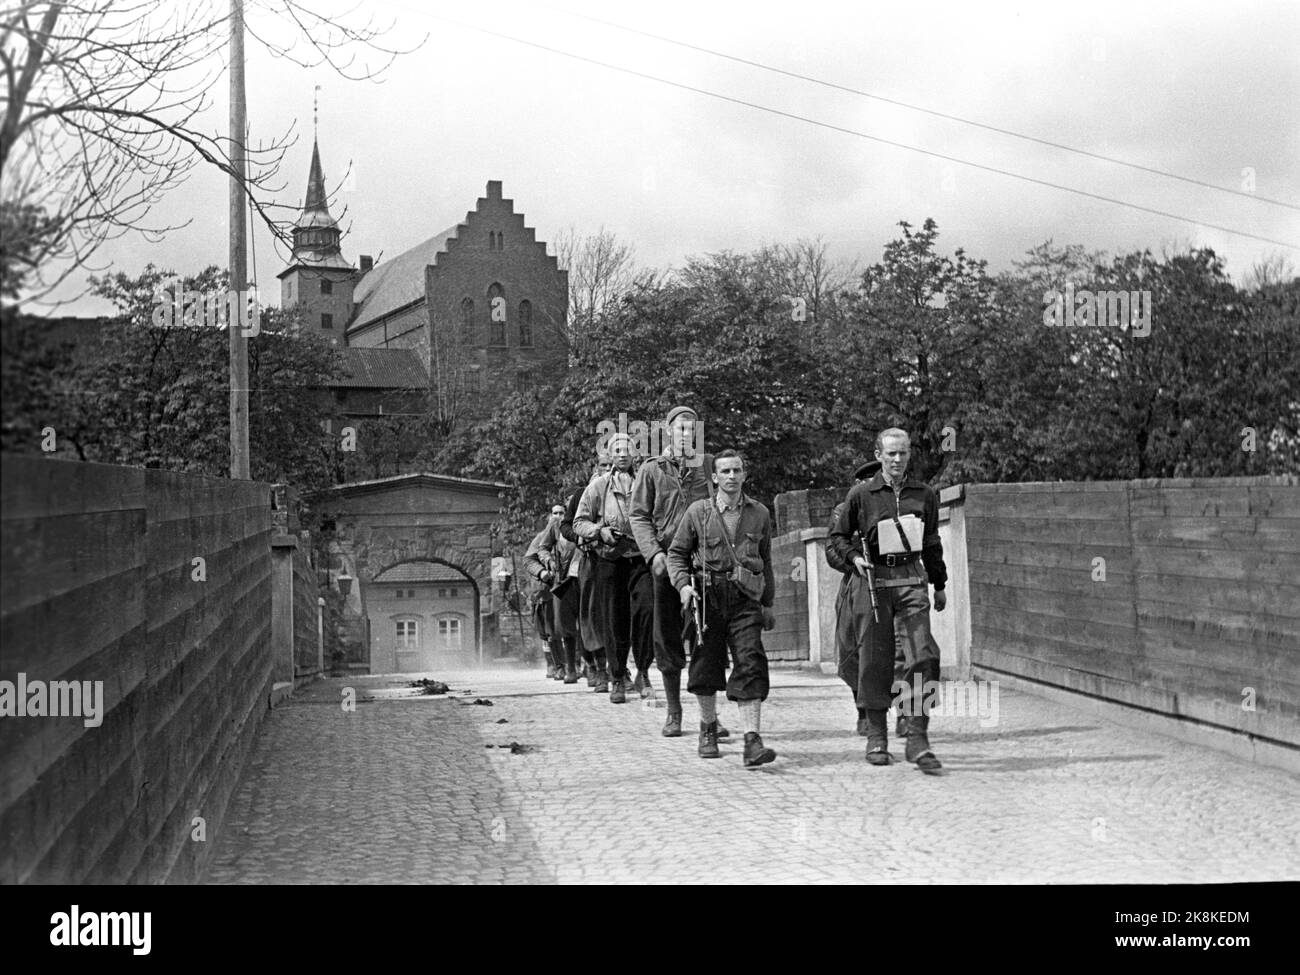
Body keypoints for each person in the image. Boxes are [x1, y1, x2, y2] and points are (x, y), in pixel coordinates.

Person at [829, 428, 947, 773]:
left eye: (903, 453)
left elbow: (931, 542)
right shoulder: (861, 494)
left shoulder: (924, 494)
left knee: (923, 653)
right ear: (878, 455)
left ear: (911, 455)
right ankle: (876, 734)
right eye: (891, 454)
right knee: (874, 659)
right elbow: (836, 538)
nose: (897, 460)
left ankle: (917, 736)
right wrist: (854, 559)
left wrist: (939, 583)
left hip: (912, 578)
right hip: (874, 582)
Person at [667, 450, 777, 769]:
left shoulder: (759, 513)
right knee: (705, 665)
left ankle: (752, 740)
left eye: (737, 470)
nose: (731, 476)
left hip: (745, 598)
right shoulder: (698, 512)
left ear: (745, 475)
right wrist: (684, 587)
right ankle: (707, 727)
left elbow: (766, 561)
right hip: (707, 596)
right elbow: (677, 554)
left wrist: (768, 602)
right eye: (725, 471)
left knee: (751, 662)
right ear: (714, 478)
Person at [629, 405, 729, 740]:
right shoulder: (651, 469)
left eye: (692, 429)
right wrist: (653, 553)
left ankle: (708, 715)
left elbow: (722, 508)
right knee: (667, 636)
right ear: (667, 433)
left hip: (703, 563)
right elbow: (639, 515)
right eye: (680, 429)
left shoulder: (708, 466)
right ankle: (674, 711)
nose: (686, 434)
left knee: (706, 635)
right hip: (666, 563)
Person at [573, 433, 651, 704]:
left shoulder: (645, 482)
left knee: (647, 611)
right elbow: (578, 522)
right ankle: (617, 677)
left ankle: (643, 669)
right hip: (609, 559)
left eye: (627, 449)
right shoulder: (598, 487)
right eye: (616, 449)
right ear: (608, 455)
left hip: (641, 558)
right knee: (614, 619)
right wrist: (599, 531)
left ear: (635, 454)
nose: (622, 454)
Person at [562, 451, 613, 691]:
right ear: (596, 468)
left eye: (612, 464)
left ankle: (623, 668)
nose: (609, 468)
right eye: (604, 465)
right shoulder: (586, 493)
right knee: (592, 614)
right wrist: (580, 537)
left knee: (622, 613)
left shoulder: (633, 488)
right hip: (591, 558)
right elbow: (566, 525)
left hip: (622, 557)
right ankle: (599, 667)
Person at [524, 503, 580, 683]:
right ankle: (559, 665)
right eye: (554, 513)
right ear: (550, 515)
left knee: (578, 626)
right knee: (553, 630)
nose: (558, 516)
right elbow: (529, 559)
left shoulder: (575, 530)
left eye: (561, 513)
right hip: (549, 588)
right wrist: (542, 572)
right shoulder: (543, 537)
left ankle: (581, 664)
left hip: (574, 581)